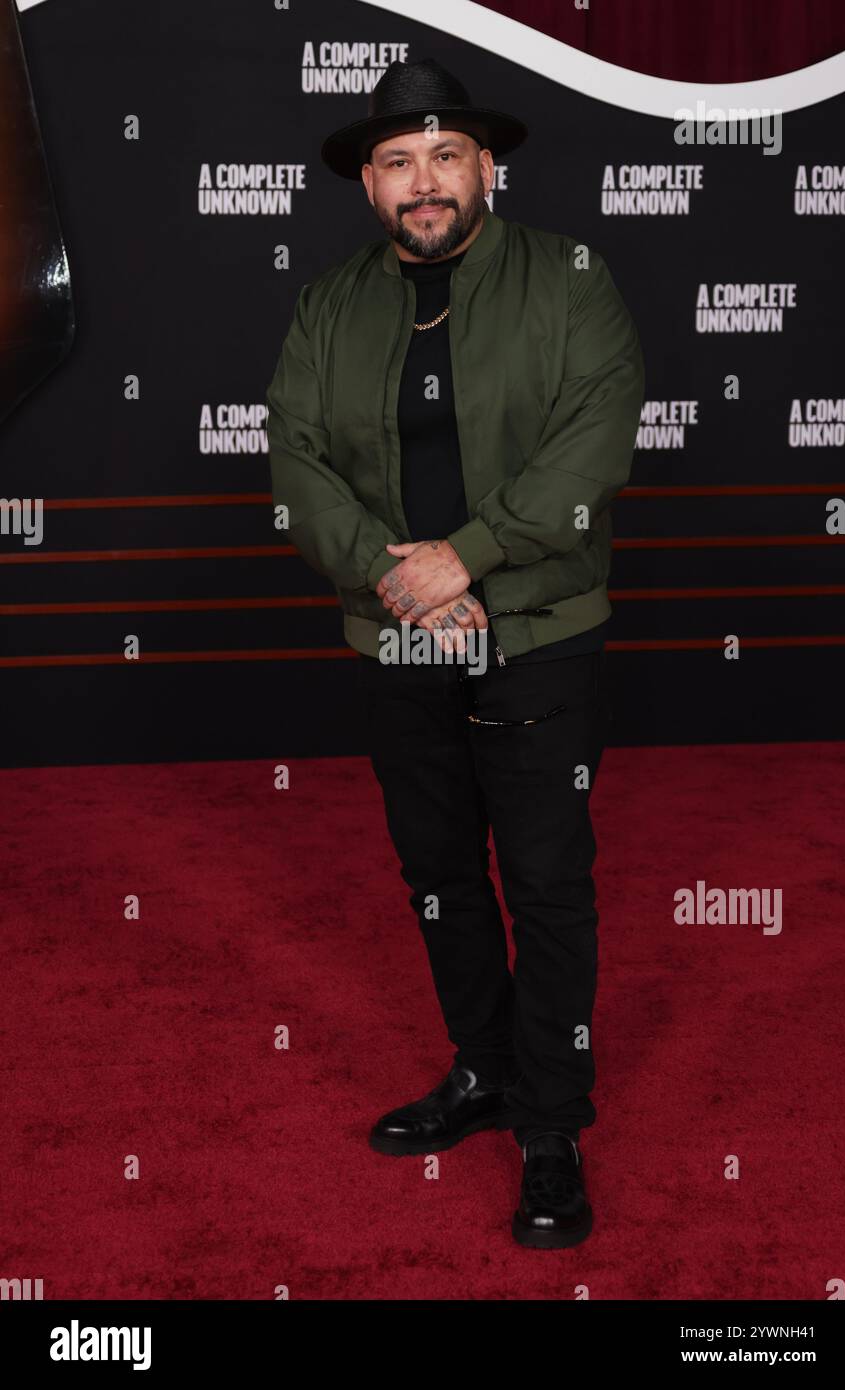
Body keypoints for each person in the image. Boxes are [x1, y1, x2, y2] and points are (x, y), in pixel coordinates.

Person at [266, 57, 645, 1249]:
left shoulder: (570, 280)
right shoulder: (328, 303)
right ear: (367, 185)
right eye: (394, 163)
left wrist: (466, 558)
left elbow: (593, 441)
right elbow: (296, 463)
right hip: (399, 635)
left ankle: (550, 1120)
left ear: (485, 164)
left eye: (441, 156)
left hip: (537, 635)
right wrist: (406, 583)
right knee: (434, 868)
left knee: (544, 880)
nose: (420, 183)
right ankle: (481, 1070)